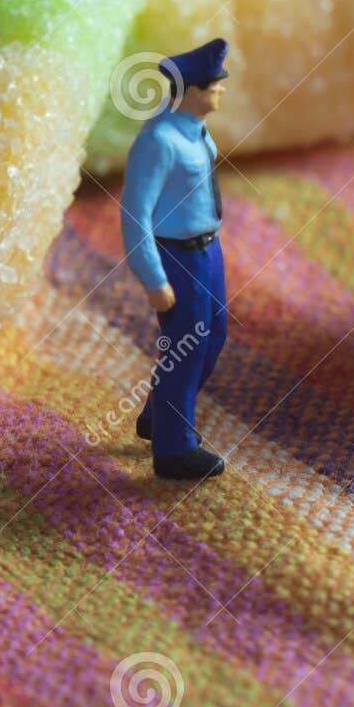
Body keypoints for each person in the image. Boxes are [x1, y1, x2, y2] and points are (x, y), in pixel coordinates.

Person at [120, 38, 231, 480]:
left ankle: (160, 416)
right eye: (212, 85)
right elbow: (135, 213)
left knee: (214, 336)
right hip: (177, 257)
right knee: (184, 348)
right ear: (190, 91)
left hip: (208, 250)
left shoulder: (196, 130)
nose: (220, 91)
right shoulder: (159, 141)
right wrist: (153, 277)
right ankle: (173, 448)